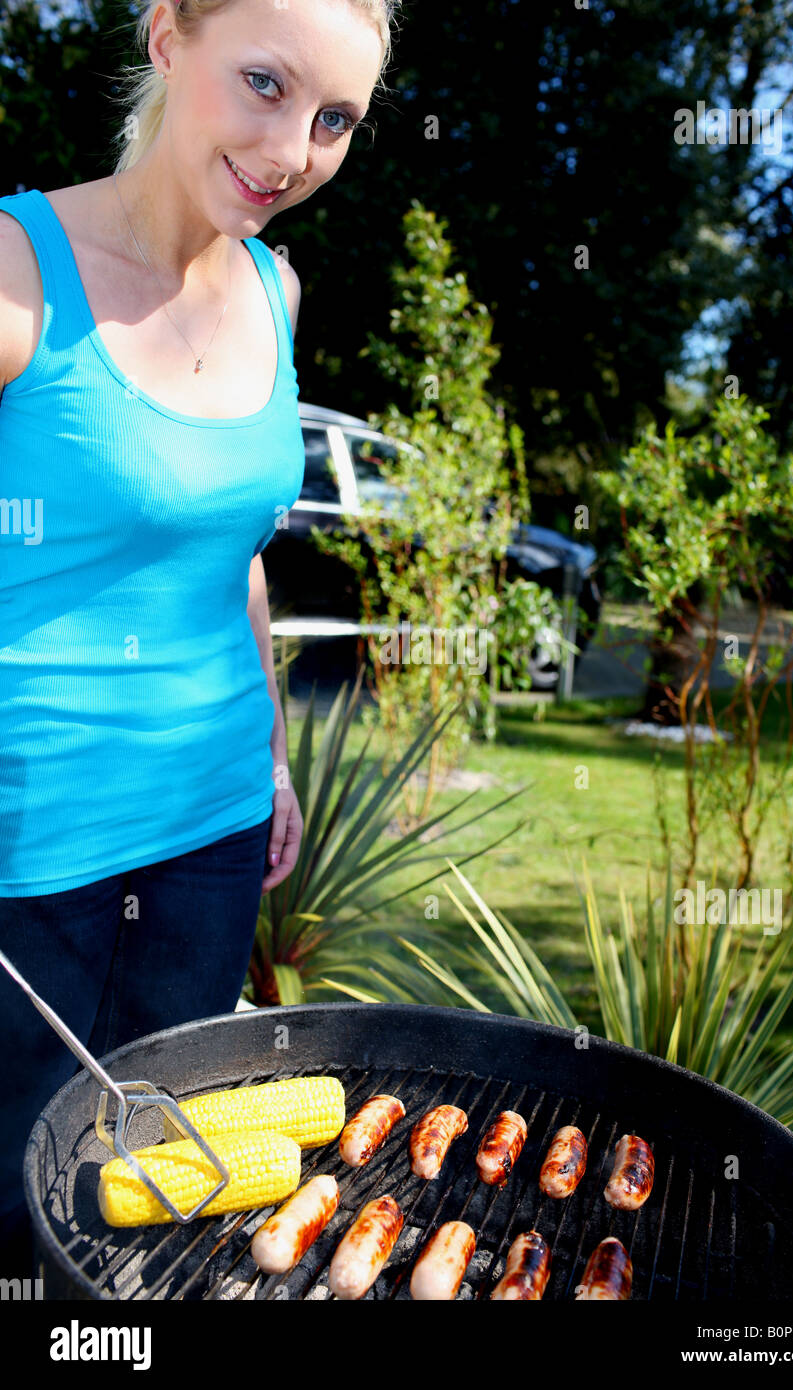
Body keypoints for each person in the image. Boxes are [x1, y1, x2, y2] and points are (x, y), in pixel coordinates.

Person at [0, 0, 396, 1273]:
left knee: (165, 1204)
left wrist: (273, 756)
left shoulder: (277, 289)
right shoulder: (18, 274)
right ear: (169, 37)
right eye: (266, 85)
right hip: (32, 848)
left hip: (214, 836)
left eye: (334, 118)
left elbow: (234, 553)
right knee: (21, 1210)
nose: (292, 151)